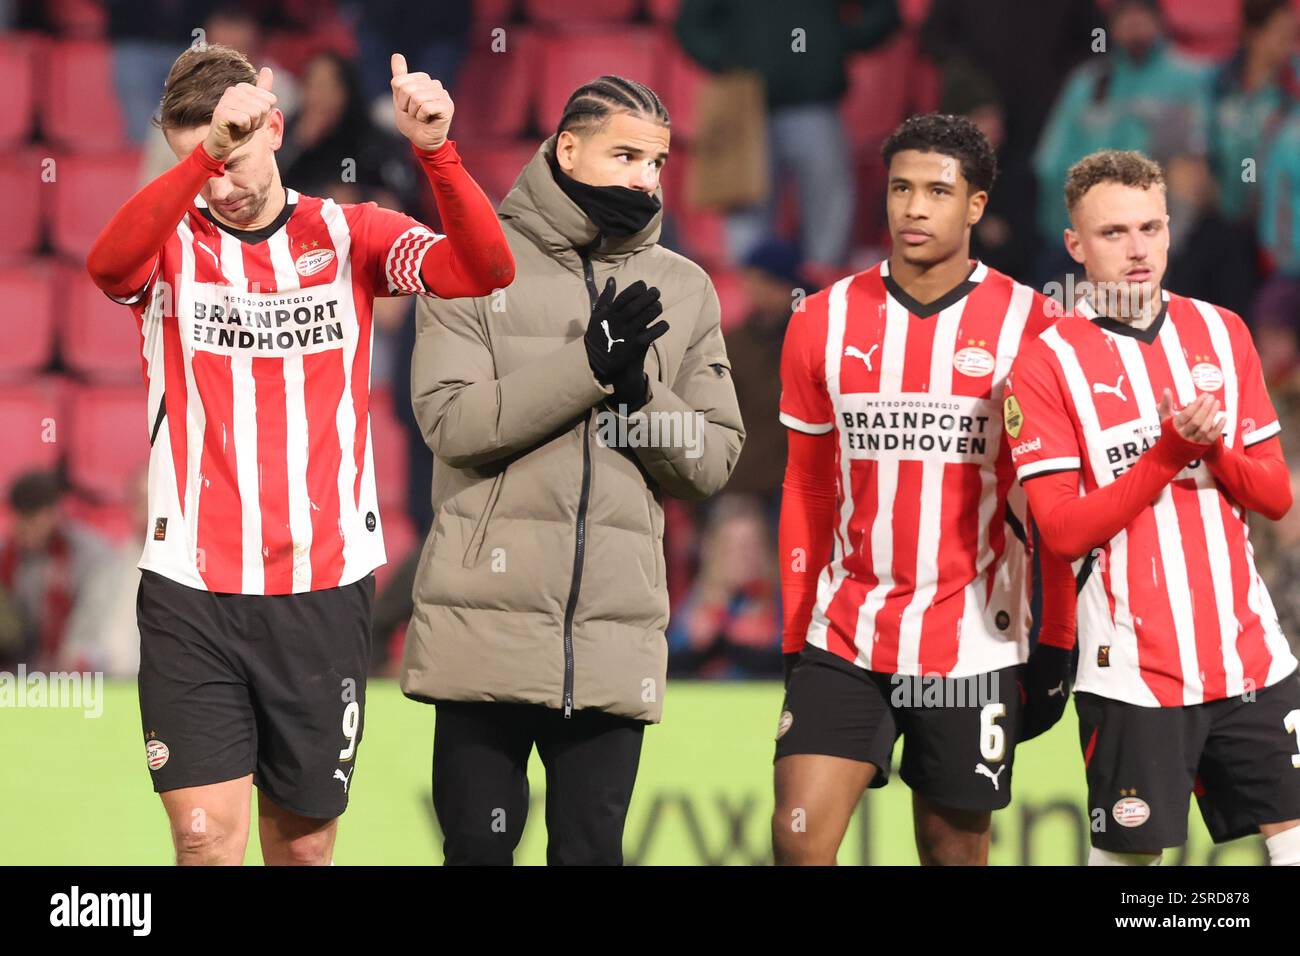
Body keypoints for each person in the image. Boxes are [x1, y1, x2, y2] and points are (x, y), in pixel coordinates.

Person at [84, 43, 513, 866]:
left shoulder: (348, 234)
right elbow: (106, 267)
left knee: (306, 849)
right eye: (199, 161)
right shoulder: (172, 247)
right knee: (204, 841)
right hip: (191, 590)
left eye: (232, 154)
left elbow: (485, 269)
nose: (218, 182)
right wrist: (208, 151)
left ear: (275, 127)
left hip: (321, 589)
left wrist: (436, 152)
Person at [401, 75, 745, 866]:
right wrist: (589, 365)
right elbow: (452, 423)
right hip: (482, 627)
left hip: (613, 638)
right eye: (624, 154)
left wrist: (639, 387)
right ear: (567, 148)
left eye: (656, 162)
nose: (644, 179)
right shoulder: (475, 259)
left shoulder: (686, 288)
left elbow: (713, 461)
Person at [773, 114, 1076, 866]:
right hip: (845, 629)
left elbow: (1054, 507)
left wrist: (1057, 640)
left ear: (975, 206)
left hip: (973, 639)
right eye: (902, 188)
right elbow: (808, 486)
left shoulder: (1034, 325)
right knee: (797, 837)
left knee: (950, 850)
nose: (914, 207)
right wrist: (793, 627)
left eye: (938, 191)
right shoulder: (821, 320)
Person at [1004, 149, 1300, 866]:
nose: (1137, 250)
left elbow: (1274, 494)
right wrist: (1167, 453)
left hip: (1250, 654)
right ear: (1074, 246)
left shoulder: (1222, 332)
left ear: (1170, 230)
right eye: (1113, 234)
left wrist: (1212, 449)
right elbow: (1064, 531)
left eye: (1150, 228)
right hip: (1130, 671)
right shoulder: (1043, 364)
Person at [0, 471, 113, 672]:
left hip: (73, 659)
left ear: (54, 514)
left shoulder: (88, 554)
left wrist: (73, 656)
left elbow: (92, 621)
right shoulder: (7, 554)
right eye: (21, 522)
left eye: (33, 522)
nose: (26, 531)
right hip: (16, 663)